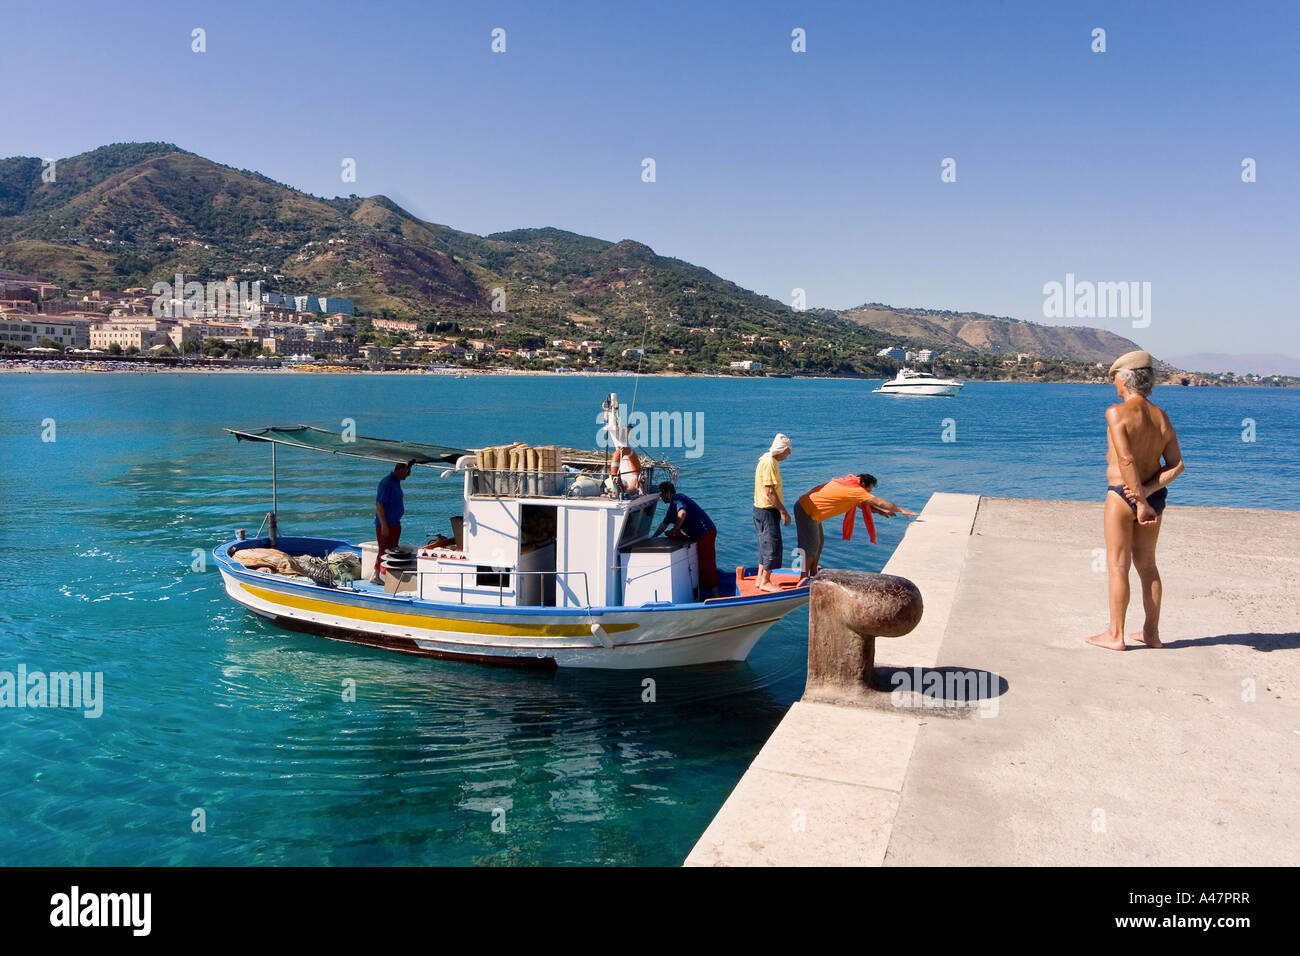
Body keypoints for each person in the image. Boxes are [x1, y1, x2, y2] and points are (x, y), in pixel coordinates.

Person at [1086, 350, 1185, 651]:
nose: (1113, 383)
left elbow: (1126, 459)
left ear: (1125, 379)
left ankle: (1115, 634)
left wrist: (1139, 500)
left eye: (1115, 377)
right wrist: (1150, 492)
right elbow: (1177, 465)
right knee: (1148, 566)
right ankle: (1151, 634)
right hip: (1155, 498)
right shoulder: (1161, 417)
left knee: (1118, 566)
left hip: (1122, 496)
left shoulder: (1116, 413)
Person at [795, 474, 918, 577]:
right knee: (811, 546)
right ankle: (803, 577)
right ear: (863, 485)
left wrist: (880, 511)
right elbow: (879, 502)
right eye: (869, 490)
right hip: (806, 510)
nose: (868, 493)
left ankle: (813, 572)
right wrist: (901, 509)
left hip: (812, 511)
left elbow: (862, 504)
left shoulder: (849, 484)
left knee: (819, 543)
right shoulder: (856, 490)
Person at [653, 482, 719, 599]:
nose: (661, 498)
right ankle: (702, 592)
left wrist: (673, 530)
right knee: (700, 564)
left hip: (705, 533)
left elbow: (682, 513)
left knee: (707, 563)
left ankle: (715, 595)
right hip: (699, 535)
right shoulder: (671, 509)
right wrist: (653, 537)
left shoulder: (677, 498)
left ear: (667, 492)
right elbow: (664, 524)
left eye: (662, 494)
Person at [753, 433, 792, 592]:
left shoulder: (766, 459)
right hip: (767, 511)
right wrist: (783, 511)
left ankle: (759, 578)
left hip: (759, 509)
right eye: (788, 450)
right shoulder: (770, 463)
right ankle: (765, 581)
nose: (789, 454)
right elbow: (770, 491)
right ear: (782, 449)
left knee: (764, 544)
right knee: (772, 545)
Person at [370, 461, 413, 583]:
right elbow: (379, 505)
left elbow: (407, 473)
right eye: (405, 473)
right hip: (386, 524)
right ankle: (384, 576)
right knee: (385, 550)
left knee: (392, 548)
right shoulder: (387, 483)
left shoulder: (396, 480)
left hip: (395, 523)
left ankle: (375, 575)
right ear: (399, 470)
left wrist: (410, 466)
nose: (406, 476)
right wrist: (384, 525)